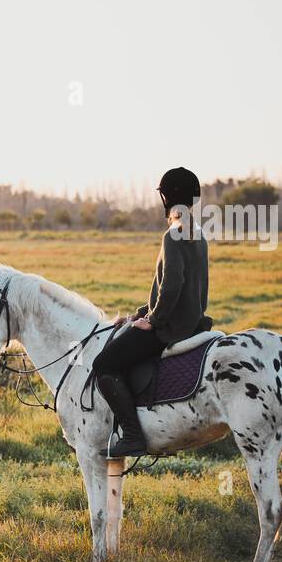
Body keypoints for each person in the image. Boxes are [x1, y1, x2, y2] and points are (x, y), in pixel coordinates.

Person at [93, 166, 209, 458]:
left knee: (104, 363)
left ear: (167, 197)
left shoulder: (173, 235)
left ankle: (133, 436)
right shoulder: (198, 235)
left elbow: (171, 286)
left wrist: (154, 321)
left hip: (171, 327)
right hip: (193, 322)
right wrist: (137, 315)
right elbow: (188, 290)